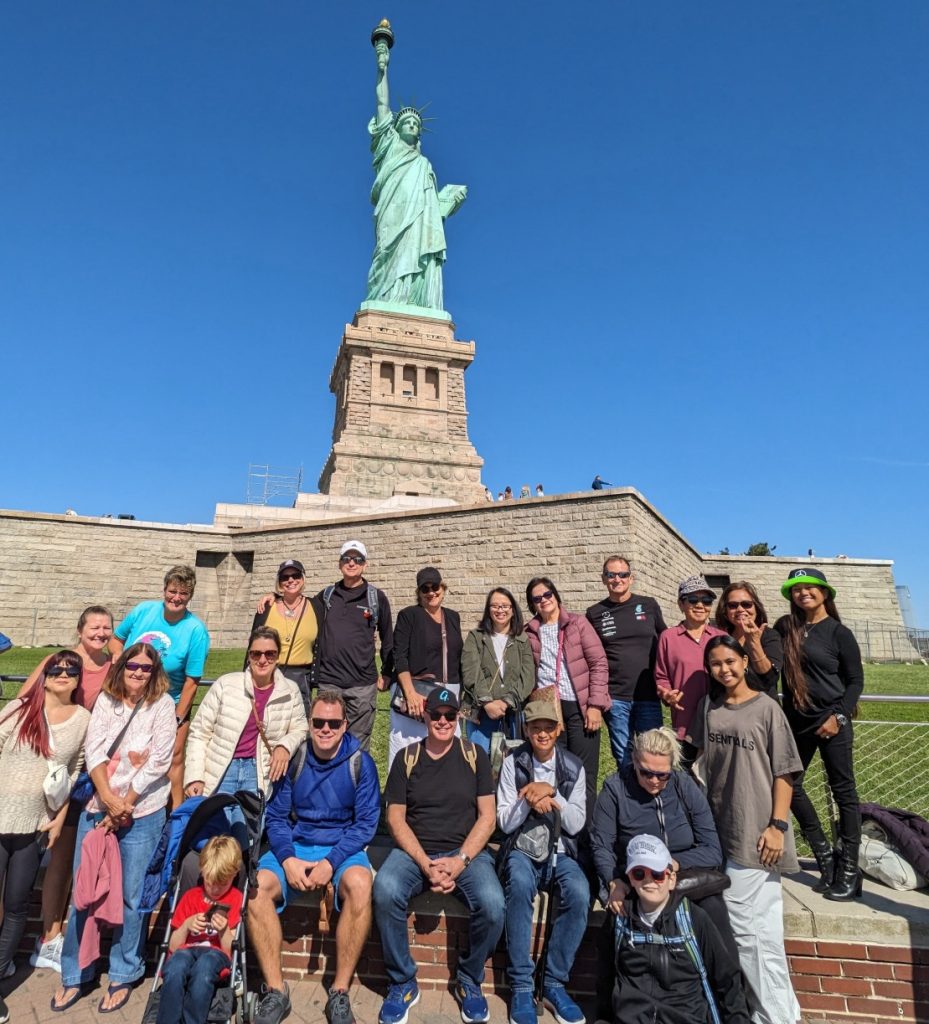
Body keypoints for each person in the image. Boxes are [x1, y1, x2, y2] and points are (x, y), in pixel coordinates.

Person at [53, 643, 176, 1013]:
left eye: (146, 668)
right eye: (133, 666)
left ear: (155, 673)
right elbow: (95, 751)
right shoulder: (106, 701)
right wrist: (108, 798)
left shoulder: (163, 705)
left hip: (143, 811)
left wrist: (126, 803)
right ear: (121, 667)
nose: (138, 673)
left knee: (131, 897)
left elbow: (160, 760)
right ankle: (76, 972)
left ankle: (124, 972)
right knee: (83, 893)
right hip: (100, 807)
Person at [248, 691, 379, 1024]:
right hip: (297, 842)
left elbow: (365, 825)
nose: (325, 729)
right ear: (309, 723)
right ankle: (277, 991)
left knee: (361, 885)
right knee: (256, 889)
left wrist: (331, 862)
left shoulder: (360, 763)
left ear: (345, 725)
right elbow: (276, 817)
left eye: (333, 723)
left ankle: (339, 992)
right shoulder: (297, 758)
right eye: (318, 722)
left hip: (341, 847)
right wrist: (288, 859)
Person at [690, 635, 803, 1024]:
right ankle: (776, 1011)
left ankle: (775, 1015)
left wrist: (777, 825)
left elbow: (785, 770)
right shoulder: (710, 707)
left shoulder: (767, 708)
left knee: (753, 934)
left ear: (744, 660)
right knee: (752, 932)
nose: (725, 669)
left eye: (730, 661)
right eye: (716, 663)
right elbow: (703, 764)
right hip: (723, 830)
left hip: (758, 833)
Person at [374, 688, 503, 1024]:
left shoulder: (476, 755)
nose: (442, 721)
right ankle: (403, 980)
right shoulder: (407, 757)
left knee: (492, 905)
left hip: (465, 853)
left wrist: (459, 862)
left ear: (458, 717)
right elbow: (395, 818)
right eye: (436, 715)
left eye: (449, 715)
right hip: (417, 852)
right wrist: (425, 863)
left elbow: (488, 817)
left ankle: (469, 978)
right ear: (425, 716)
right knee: (386, 889)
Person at [590, 727, 738, 1020]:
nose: (655, 781)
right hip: (639, 879)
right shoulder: (615, 789)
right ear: (633, 760)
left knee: (713, 913)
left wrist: (670, 864)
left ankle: (729, 1005)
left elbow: (712, 849)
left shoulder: (684, 787)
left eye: (663, 775)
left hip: (680, 880)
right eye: (646, 773)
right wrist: (612, 880)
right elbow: (601, 844)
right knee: (617, 916)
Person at [19, 606, 114, 972]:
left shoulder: (112, 667)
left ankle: (61, 936)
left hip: (86, 772)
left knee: (71, 856)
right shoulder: (58, 661)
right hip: (47, 769)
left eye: (107, 628)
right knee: (47, 855)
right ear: (80, 629)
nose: (100, 633)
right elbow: (23, 703)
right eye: (94, 626)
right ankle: (47, 935)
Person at [0, 651, 90, 988]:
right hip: (1, 813)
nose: (63, 674)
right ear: (45, 675)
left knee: (16, 903)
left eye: (71, 670)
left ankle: (2, 971)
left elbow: (75, 771)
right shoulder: (19, 709)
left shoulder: (83, 718)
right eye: (56, 669)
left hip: (35, 823)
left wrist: (59, 818)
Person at [775, 568, 864, 901]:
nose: (803, 594)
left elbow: (855, 681)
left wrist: (839, 717)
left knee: (844, 794)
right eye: (796, 589)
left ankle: (850, 871)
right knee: (789, 783)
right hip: (797, 722)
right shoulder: (786, 628)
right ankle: (826, 856)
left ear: (825, 593)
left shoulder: (839, 633)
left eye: (810, 588)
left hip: (832, 722)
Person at [497, 701, 588, 1024]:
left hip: (560, 851)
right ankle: (522, 983)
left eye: (549, 727)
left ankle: (553, 982)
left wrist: (553, 794)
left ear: (559, 729)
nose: (543, 733)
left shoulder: (574, 767)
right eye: (535, 727)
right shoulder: (514, 762)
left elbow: (577, 824)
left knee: (578, 892)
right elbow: (505, 823)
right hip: (521, 848)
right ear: (526, 729)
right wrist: (529, 798)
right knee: (520, 885)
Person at [366, 28, 467, 311]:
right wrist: (381, 67)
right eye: (406, 123)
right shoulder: (388, 146)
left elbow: (431, 209)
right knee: (388, 249)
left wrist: (448, 202)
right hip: (394, 212)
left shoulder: (424, 165)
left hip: (418, 222)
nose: (412, 125)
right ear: (396, 129)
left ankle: (416, 300)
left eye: (416, 124)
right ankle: (389, 298)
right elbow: (382, 103)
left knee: (418, 248)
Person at [184, 627, 308, 841]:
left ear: (278, 657)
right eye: (256, 654)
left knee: (247, 838)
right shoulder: (226, 684)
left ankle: (245, 875)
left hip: (257, 770)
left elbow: (301, 727)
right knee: (213, 839)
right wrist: (194, 776)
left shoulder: (290, 690)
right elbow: (199, 732)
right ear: (249, 656)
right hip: (222, 767)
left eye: (270, 654)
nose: (262, 660)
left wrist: (284, 746)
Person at [612, 834, 750, 1024]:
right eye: (639, 873)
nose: (649, 880)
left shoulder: (694, 918)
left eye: (658, 874)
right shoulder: (620, 921)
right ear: (630, 878)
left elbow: (728, 981)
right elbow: (606, 981)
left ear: (671, 879)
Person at [111, 565, 210, 807]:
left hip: (169, 702)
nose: (176, 598)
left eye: (183, 594)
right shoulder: (144, 610)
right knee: (125, 753)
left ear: (190, 596)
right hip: (130, 698)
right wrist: (118, 658)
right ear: (164, 589)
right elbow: (116, 640)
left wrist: (177, 719)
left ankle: (175, 816)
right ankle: (119, 799)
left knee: (172, 759)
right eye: (172, 591)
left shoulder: (196, 630)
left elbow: (191, 681)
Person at [524, 577, 609, 820]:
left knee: (583, 772)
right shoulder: (529, 632)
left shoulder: (578, 624)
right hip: (548, 710)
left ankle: (585, 833)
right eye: (537, 599)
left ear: (556, 595)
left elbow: (598, 663)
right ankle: (556, 831)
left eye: (547, 594)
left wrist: (595, 705)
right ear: (532, 605)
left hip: (579, 707)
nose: (543, 601)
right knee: (552, 771)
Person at [586, 557, 667, 770]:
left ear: (631, 578)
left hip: (648, 694)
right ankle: (629, 800)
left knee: (653, 754)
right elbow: (590, 656)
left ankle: (654, 799)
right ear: (603, 579)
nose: (617, 579)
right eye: (611, 574)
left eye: (622, 574)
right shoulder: (594, 613)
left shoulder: (648, 605)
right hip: (615, 697)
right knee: (623, 757)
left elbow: (666, 642)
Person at [315, 540, 394, 751]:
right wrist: (275, 596)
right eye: (346, 558)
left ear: (365, 564)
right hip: (329, 682)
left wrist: (387, 672)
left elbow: (388, 638)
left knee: (357, 748)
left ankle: (354, 783)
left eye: (357, 559)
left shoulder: (376, 597)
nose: (352, 563)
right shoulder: (326, 596)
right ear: (339, 564)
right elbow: (299, 606)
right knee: (326, 743)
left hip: (362, 686)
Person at [156, 835, 244, 1024]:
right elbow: (173, 945)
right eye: (210, 882)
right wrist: (187, 925)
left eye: (223, 883)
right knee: (175, 966)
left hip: (216, 953)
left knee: (204, 967)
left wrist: (223, 931)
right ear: (202, 871)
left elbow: (232, 949)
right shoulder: (190, 897)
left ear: (234, 874)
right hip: (186, 949)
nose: (215, 889)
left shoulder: (235, 899)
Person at [389, 567, 463, 766]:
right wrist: (410, 693)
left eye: (435, 587)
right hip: (418, 692)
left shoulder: (453, 617)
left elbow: (457, 657)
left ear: (443, 588)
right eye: (425, 589)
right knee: (410, 748)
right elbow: (400, 656)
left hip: (449, 691)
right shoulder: (409, 616)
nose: (431, 592)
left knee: (446, 749)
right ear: (419, 593)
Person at [654, 576, 726, 771]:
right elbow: (661, 676)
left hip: (720, 721)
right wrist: (666, 694)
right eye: (693, 600)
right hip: (685, 722)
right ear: (681, 604)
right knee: (688, 780)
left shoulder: (722, 637)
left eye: (707, 601)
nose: (700, 605)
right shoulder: (668, 637)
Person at [460, 587, 535, 753]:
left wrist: (506, 702)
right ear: (488, 610)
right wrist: (487, 702)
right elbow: (470, 672)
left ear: (513, 610)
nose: (500, 610)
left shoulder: (522, 640)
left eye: (505, 606)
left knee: (512, 761)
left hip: (512, 713)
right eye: (494, 606)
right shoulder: (476, 637)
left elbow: (527, 676)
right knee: (479, 760)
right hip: (480, 712)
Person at [251, 560, 323, 715]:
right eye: (285, 577)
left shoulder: (316, 606)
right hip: (268, 674)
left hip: (301, 677)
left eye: (296, 575)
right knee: (266, 720)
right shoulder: (266, 607)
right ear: (279, 582)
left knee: (299, 725)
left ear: (303, 578)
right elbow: (253, 643)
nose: (291, 580)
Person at [714, 582, 782, 696]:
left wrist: (754, 643)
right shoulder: (721, 638)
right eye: (733, 605)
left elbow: (770, 678)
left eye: (746, 604)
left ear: (756, 607)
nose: (740, 609)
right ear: (725, 611)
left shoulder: (770, 636)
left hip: (761, 707)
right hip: (728, 706)